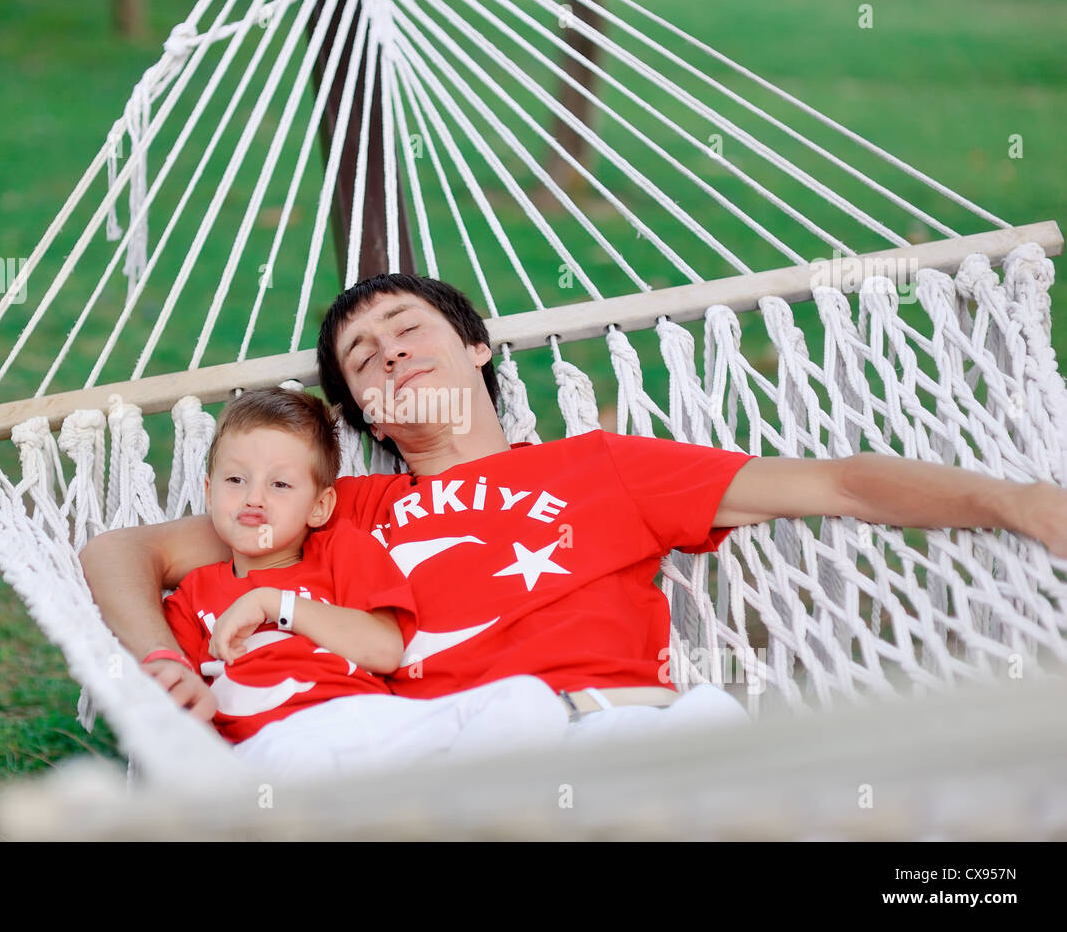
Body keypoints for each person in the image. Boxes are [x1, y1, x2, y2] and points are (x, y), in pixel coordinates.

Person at [84, 273, 1067, 749]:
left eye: (407, 330)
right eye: (362, 358)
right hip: (462, 768)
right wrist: (162, 659)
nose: (387, 352)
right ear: (361, 415)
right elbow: (122, 550)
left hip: (625, 738)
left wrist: (1013, 500)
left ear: (474, 352)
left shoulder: (604, 467)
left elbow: (842, 484)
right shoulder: (337, 510)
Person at [151, 385, 575, 781]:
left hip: (376, 724)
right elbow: (182, 703)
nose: (254, 498)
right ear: (208, 492)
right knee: (297, 763)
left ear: (319, 506)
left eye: (279, 484)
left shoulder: (342, 552)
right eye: (235, 480)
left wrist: (275, 604)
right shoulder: (190, 599)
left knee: (525, 700)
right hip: (270, 747)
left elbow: (384, 651)